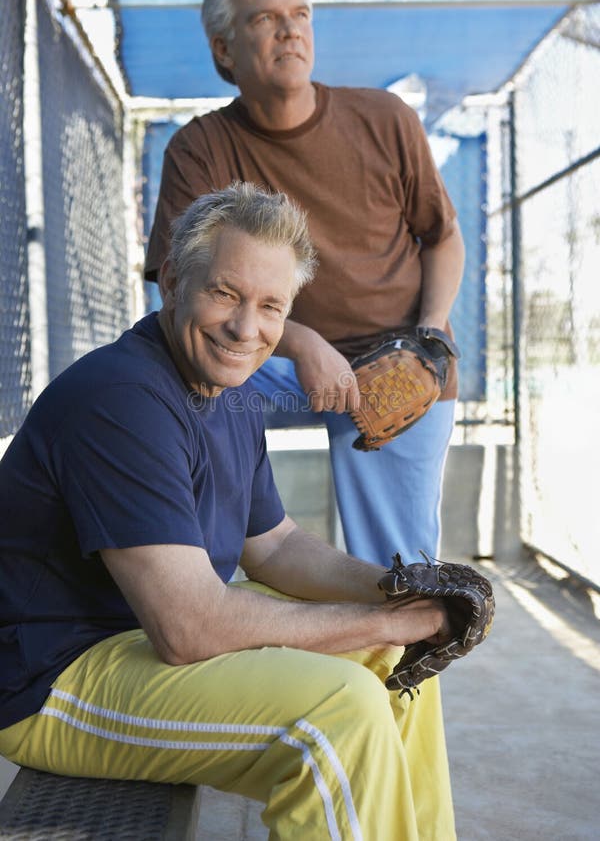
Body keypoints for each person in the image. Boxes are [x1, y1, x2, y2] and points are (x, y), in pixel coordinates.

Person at [0, 183, 455, 840]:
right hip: (51, 676)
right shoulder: (122, 398)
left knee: (401, 660)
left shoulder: (231, 393)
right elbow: (189, 627)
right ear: (173, 283)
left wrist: (403, 595)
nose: (247, 328)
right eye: (225, 294)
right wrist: (383, 615)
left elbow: (274, 547)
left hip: (139, 642)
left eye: (271, 305)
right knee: (337, 710)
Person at [145, 0, 466, 569]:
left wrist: (429, 336)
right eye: (265, 18)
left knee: (397, 564)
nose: (291, 29)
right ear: (224, 50)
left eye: (300, 14)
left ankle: (404, 658)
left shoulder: (386, 118)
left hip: (398, 361)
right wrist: (304, 343)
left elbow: (443, 239)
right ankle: (191, 578)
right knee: (166, 368)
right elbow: (177, 284)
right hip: (271, 359)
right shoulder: (201, 145)